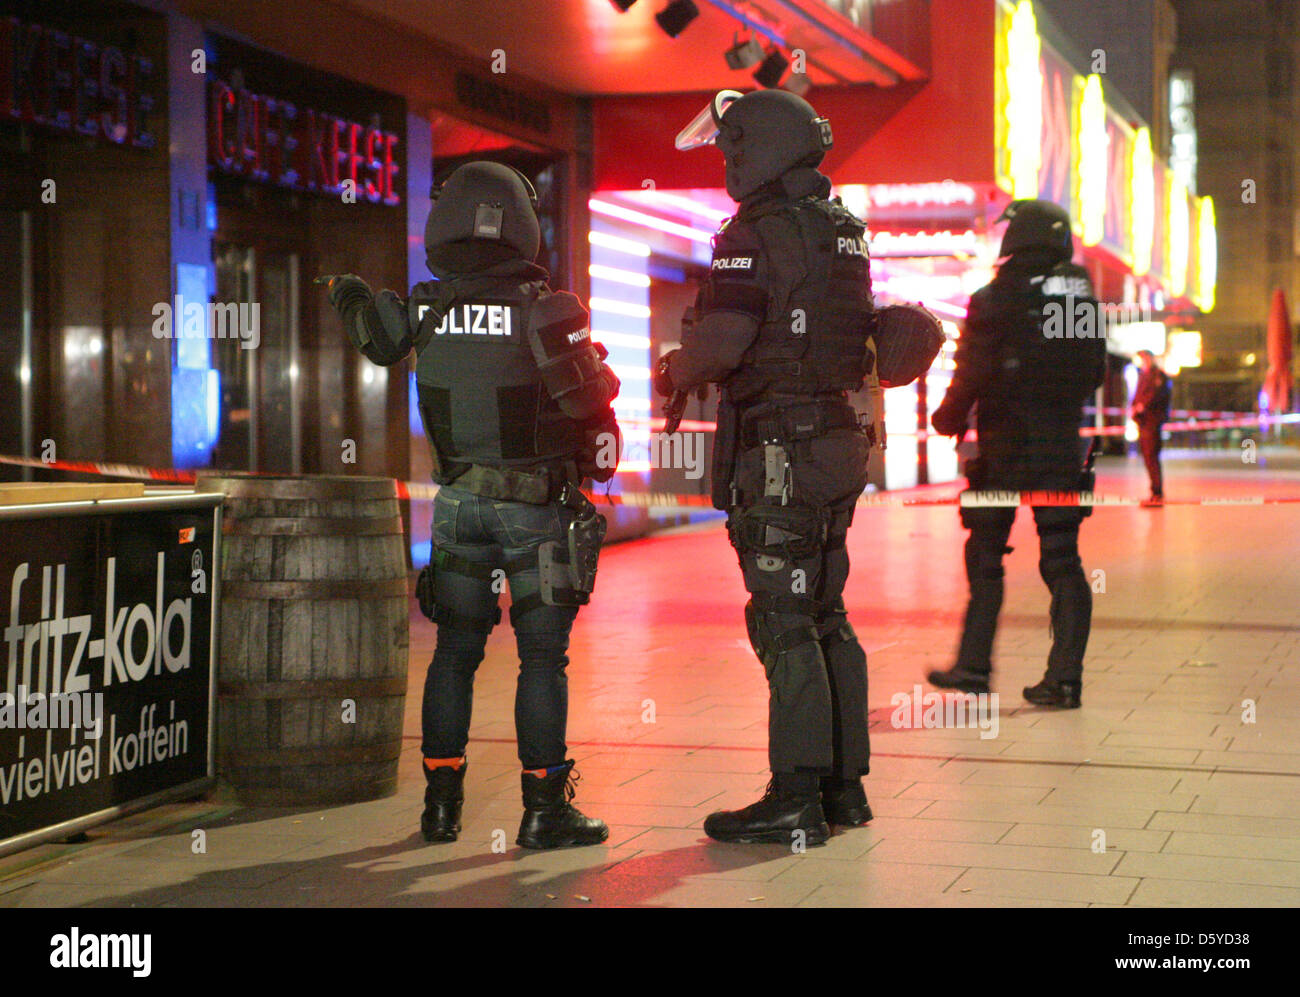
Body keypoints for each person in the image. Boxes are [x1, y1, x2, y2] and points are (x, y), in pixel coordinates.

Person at [656, 90, 939, 845]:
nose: (726, 158)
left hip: (779, 449)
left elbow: (721, 346)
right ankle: (846, 788)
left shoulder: (754, 233)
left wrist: (676, 367)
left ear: (764, 147)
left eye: (733, 144)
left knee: (783, 618)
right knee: (826, 612)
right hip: (838, 447)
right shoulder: (844, 230)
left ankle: (795, 795)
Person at [323, 161, 621, 849]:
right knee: (542, 659)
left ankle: (440, 807)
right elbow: (590, 406)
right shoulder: (547, 309)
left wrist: (349, 296)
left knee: (455, 652)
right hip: (536, 511)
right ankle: (545, 811)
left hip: (457, 507)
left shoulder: (426, 307)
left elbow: (374, 334)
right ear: (518, 223)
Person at [927, 199, 1106, 709]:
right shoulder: (1081, 298)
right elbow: (1094, 373)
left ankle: (974, 667)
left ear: (1015, 239)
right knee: (1062, 562)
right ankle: (1065, 680)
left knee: (985, 556)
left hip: (1003, 452)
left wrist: (948, 419)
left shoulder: (995, 296)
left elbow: (972, 370)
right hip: (1059, 452)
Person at [1130, 349, 1171, 505]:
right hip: (1143, 422)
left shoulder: (1157, 376)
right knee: (1148, 458)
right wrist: (1134, 409)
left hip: (1152, 422)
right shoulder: (1143, 375)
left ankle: (1157, 492)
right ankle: (1155, 491)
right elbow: (1137, 396)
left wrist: (1141, 406)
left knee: (1152, 457)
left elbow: (1154, 396)